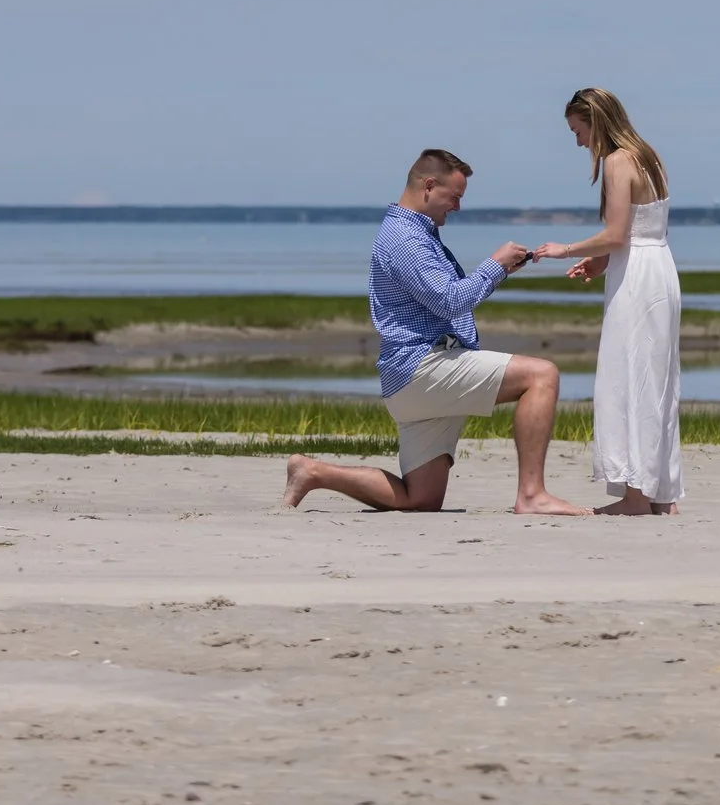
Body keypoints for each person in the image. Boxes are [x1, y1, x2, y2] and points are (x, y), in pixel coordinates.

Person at [281, 148, 589, 516]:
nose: (457, 207)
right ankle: (532, 495)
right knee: (542, 375)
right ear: (429, 186)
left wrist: (499, 270)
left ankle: (312, 472)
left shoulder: (411, 233)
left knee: (420, 499)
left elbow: (445, 298)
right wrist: (495, 266)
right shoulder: (406, 239)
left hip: (411, 379)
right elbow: (449, 301)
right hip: (424, 369)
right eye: (454, 196)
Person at [530, 88, 683, 514]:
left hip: (637, 277)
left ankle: (635, 497)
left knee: (630, 376)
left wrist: (568, 249)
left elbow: (618, 234)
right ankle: (662, 496)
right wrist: (599, 262)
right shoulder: (648, 155)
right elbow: (641, 228)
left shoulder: (618, 162)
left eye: (578, 130)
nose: (578, 141)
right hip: (658, 269)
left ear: (595, 121)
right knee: (657, 380)